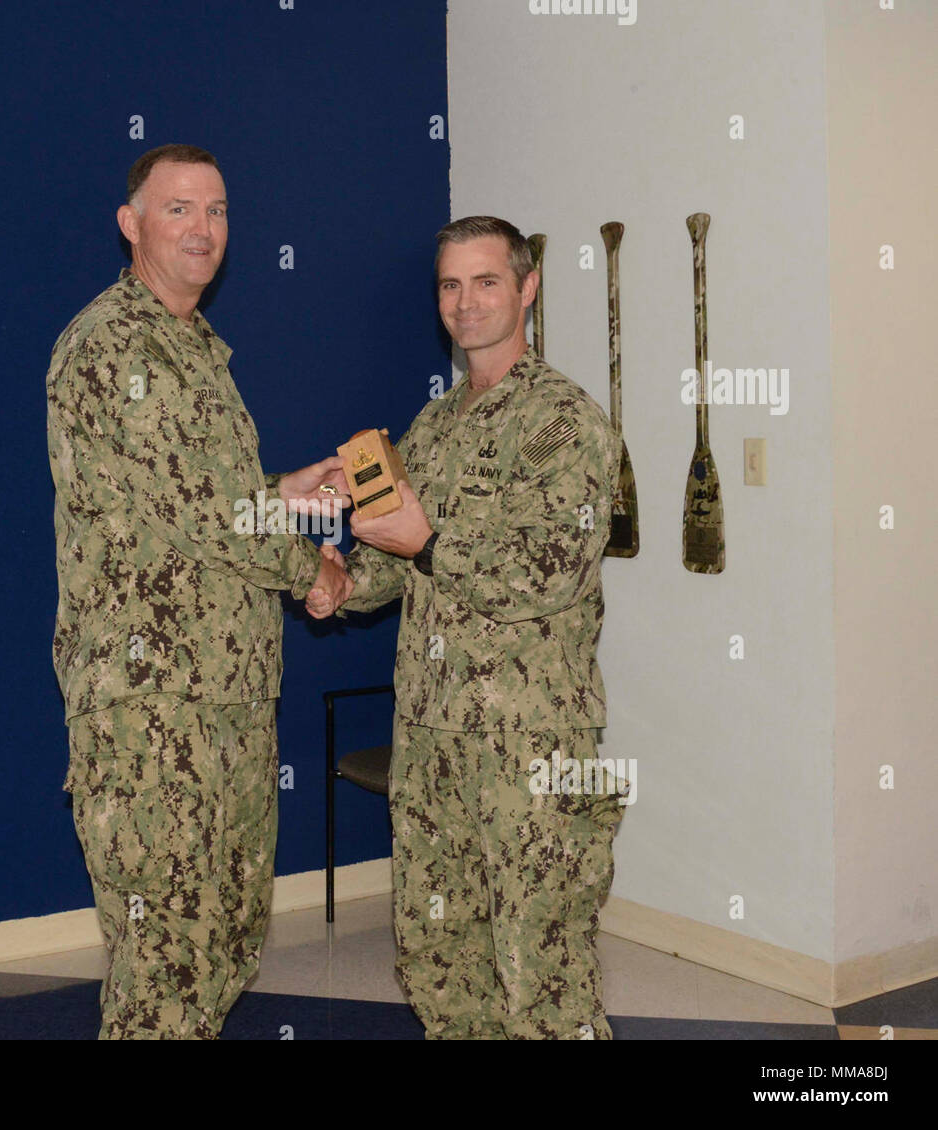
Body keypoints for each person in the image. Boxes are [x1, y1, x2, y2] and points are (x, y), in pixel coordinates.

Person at [46, 143, 352, 1039]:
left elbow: (208, 503)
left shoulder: (193, 351)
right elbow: (214, 518)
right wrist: (316, 570)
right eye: (177, 209)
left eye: (216, 210)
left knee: (220, 946)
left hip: (223, 705)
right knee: (165, 971)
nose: (202, 229)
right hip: (153, 716)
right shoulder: (118, 346)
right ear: (130, 223)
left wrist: (286, 490)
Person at [310, 216, 624, 1039]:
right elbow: (397, 560)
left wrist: (431, 543)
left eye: (486, 281)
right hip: (432, 745)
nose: (465, 301)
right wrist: (337, 583)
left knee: (542, 973)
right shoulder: (434, 428)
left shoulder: (567, 423)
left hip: (532, 749)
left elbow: (551, 571)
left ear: (527, 288)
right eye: (450, 285)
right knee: (439, 960)